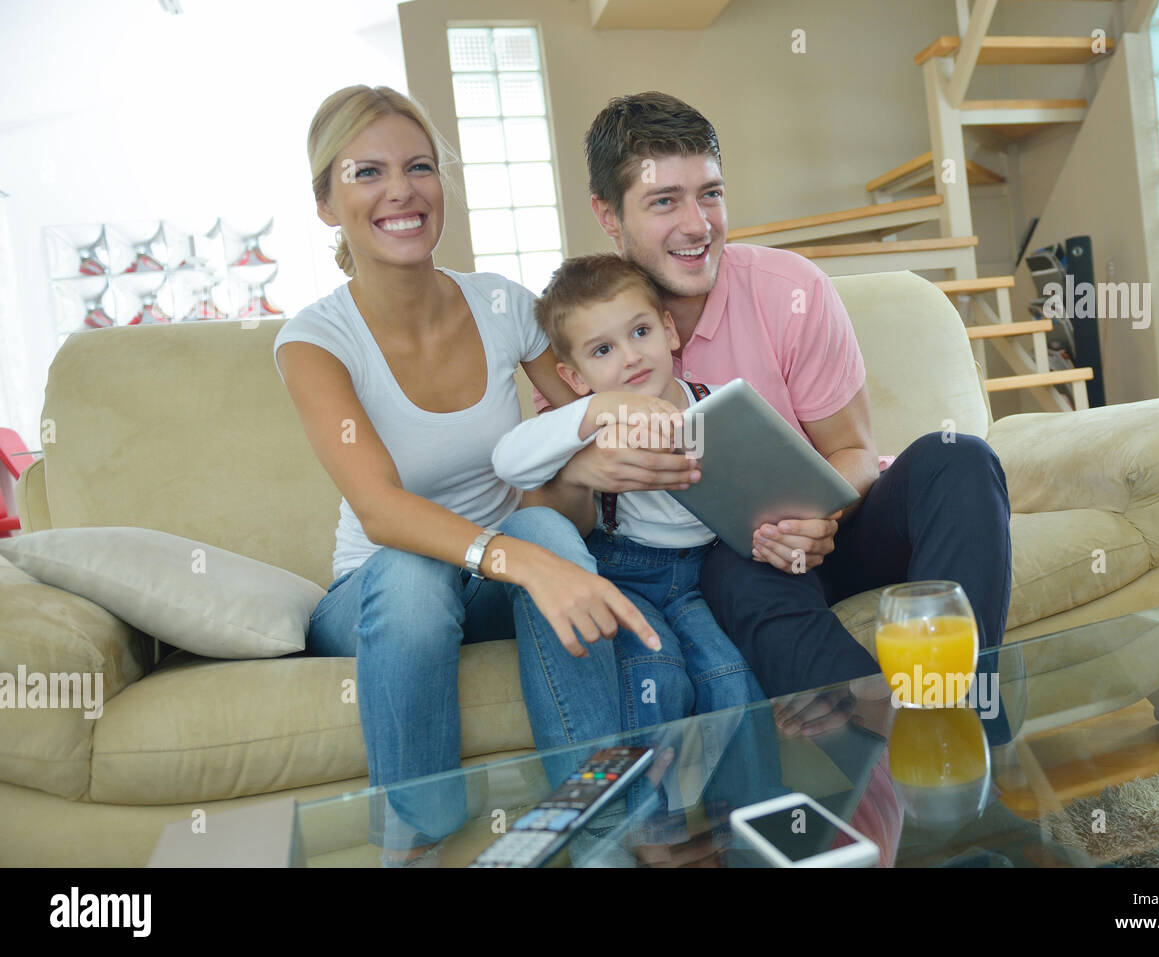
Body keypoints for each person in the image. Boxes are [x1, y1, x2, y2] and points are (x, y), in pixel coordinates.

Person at [272, 85, 659, 867]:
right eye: (366, 172)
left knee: (545, 524)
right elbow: (380, 509)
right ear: (325, 202)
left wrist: (590, 469)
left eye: (419, 167)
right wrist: (522, 557)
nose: (401, 191)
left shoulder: (501, 305)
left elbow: (583, 420)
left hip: (490, 581)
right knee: (416, 571)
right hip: (380, 594)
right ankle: (417, 846)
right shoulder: (315, 339)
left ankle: (599, 832)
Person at [539, 90, 1012, 704]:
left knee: (960, 456)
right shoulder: (583, 330)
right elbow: (551, 509)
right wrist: (585, 468)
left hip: (839, 528)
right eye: (664, 201)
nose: (697, 224)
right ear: (608, 216)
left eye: (710, 193)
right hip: (739, 567)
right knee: (738, 568)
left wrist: (821, 518)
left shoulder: (791, 290)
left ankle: (971, 724)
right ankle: (893, 758)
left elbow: (853, 450)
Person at [491, 253, 765, 732]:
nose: (631, 357)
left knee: (733, 679)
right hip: (624, 576)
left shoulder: (721, 401)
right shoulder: (587, 423)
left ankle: (748, 807)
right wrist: (600, 408)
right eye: (602, 351)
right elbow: (508, 460)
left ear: (669, 331)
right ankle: (650, 808)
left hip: (706, 575)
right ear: (574, 379)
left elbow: (774, 471)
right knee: (655, 678)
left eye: (640, 332)